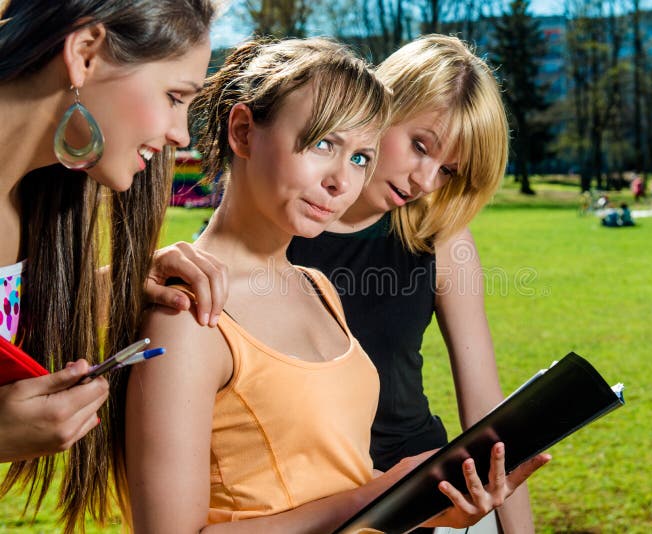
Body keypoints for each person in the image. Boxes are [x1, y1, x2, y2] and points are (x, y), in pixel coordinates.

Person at [122, 37, 549, 533]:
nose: (426, 181)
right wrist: (130, 277)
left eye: (360, 158)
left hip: (409, 495)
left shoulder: (321, 286)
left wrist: (414, 502)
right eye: (325, 143)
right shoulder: (200, 295)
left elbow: (476, 410)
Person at [288, 35, 541, 533]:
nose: (425, 180)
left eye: (448, 170)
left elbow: (484, 406)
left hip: (427, 498)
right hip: (314, 506)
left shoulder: (441, 238)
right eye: (420, 146)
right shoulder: (285, 221)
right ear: (382, 107)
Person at [0, 1, 227, 531]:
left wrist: (116, 284)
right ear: (84, 53)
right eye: (174, 97)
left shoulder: (31, 210)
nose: (181, 135)